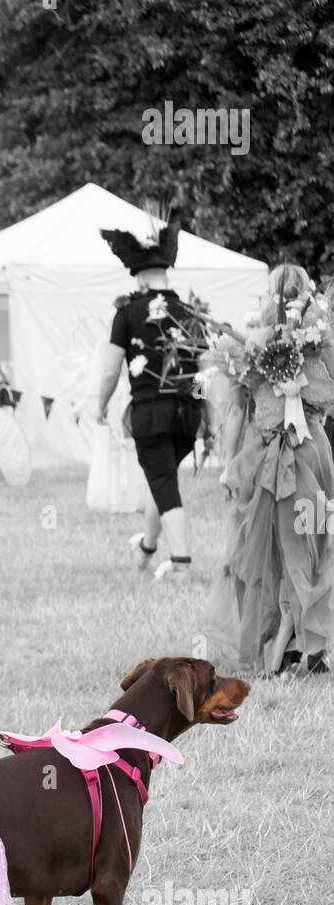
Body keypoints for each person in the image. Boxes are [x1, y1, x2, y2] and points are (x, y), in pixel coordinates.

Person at [205, 264, 334, 674]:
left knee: (261, 556)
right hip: (310, 453)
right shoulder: (319, 345)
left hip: (262, 460)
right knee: (310, 549)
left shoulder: (249, 350)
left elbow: (237, 414)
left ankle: (270, 648)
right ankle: (304, 647)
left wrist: (228, 468)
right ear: (307, 299)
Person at [98, 205, 209, 580]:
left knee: (161, 480)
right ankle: (146, 548)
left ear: (138, 276)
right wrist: (207, 418)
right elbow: (204, 372)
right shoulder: (192, 312)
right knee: (160, 477)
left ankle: (181, 564)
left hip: (151, 412)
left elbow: (112, 367)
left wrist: (98, 405)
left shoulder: (127, 312)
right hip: (188, 415)